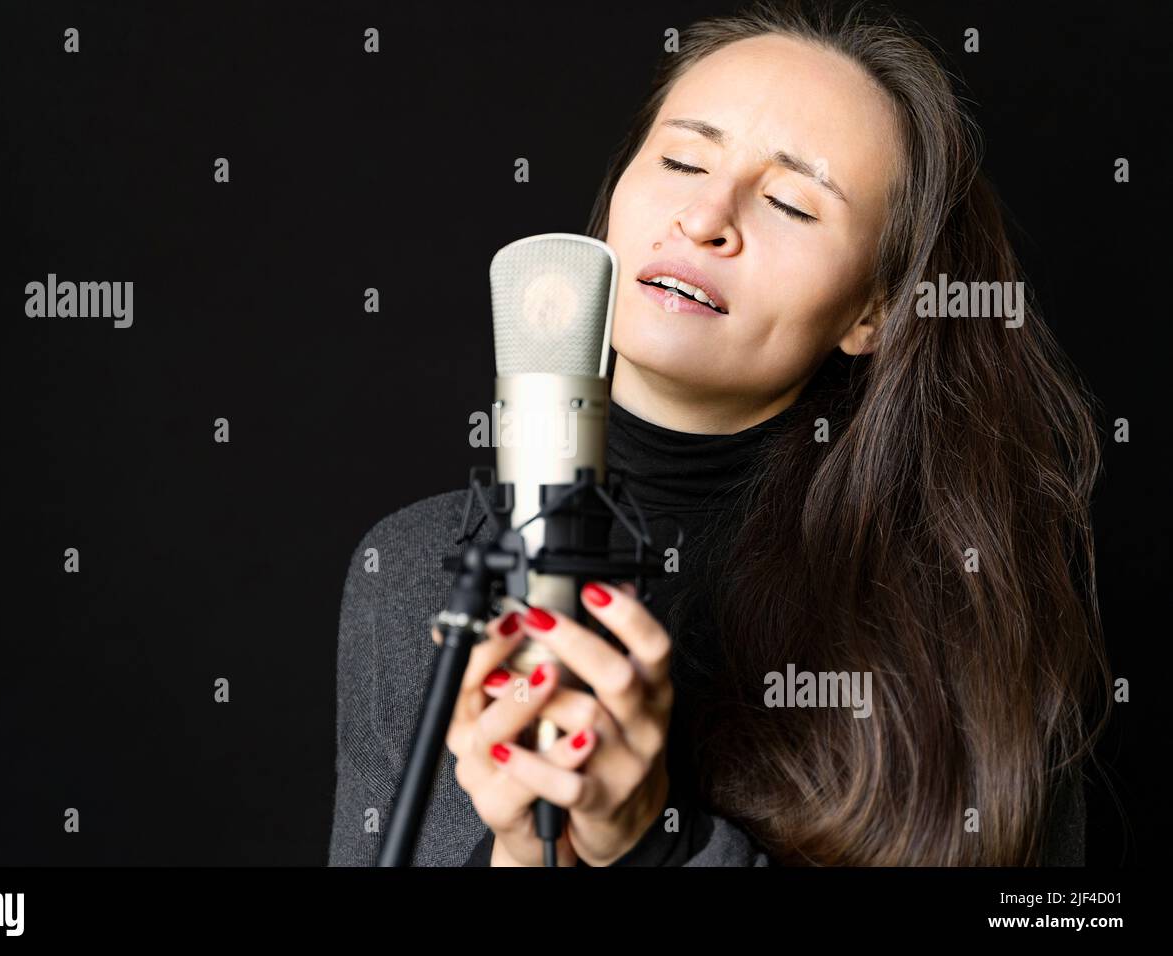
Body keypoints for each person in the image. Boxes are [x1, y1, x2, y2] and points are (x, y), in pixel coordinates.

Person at [329, 0, 1110, 866]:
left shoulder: (969, 606)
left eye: (790, 203)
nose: (705, 218)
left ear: (874, 311)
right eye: (681, 159)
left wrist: (651, 849)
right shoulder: (410, 572)